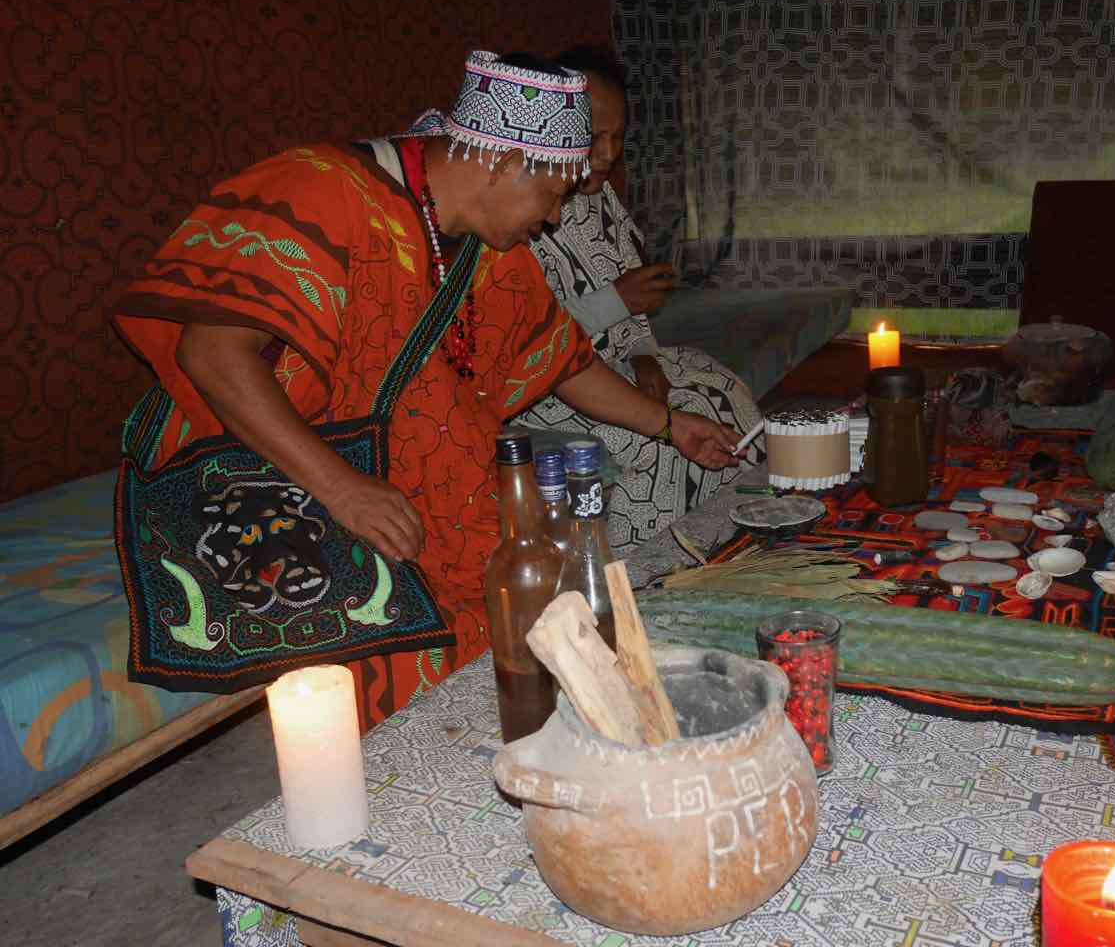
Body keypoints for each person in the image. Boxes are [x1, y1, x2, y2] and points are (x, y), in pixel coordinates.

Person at [113, 51, 739, 729]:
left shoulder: (492, 251)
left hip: (412, 479)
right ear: (503, 164)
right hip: (273, 477)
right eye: (554, 195)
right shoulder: (318, 191)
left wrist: (671, 425)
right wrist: (342, 488)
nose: (555, 217)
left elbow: (559, 359)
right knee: (399, 639)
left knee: (516, 601)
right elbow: (211, 354)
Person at [516, 46, 764, 551]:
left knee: (718, 390)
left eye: (618, 138)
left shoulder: (599, 196)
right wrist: (617, 302)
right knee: (652, 444)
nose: (607, 155)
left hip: (606, 359)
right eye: (593, 139)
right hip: (540, 392)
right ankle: (652, 567)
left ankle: (741, 535)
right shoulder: (521, 207)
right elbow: (528, 343)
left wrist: (641, 352)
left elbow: (624, 289)